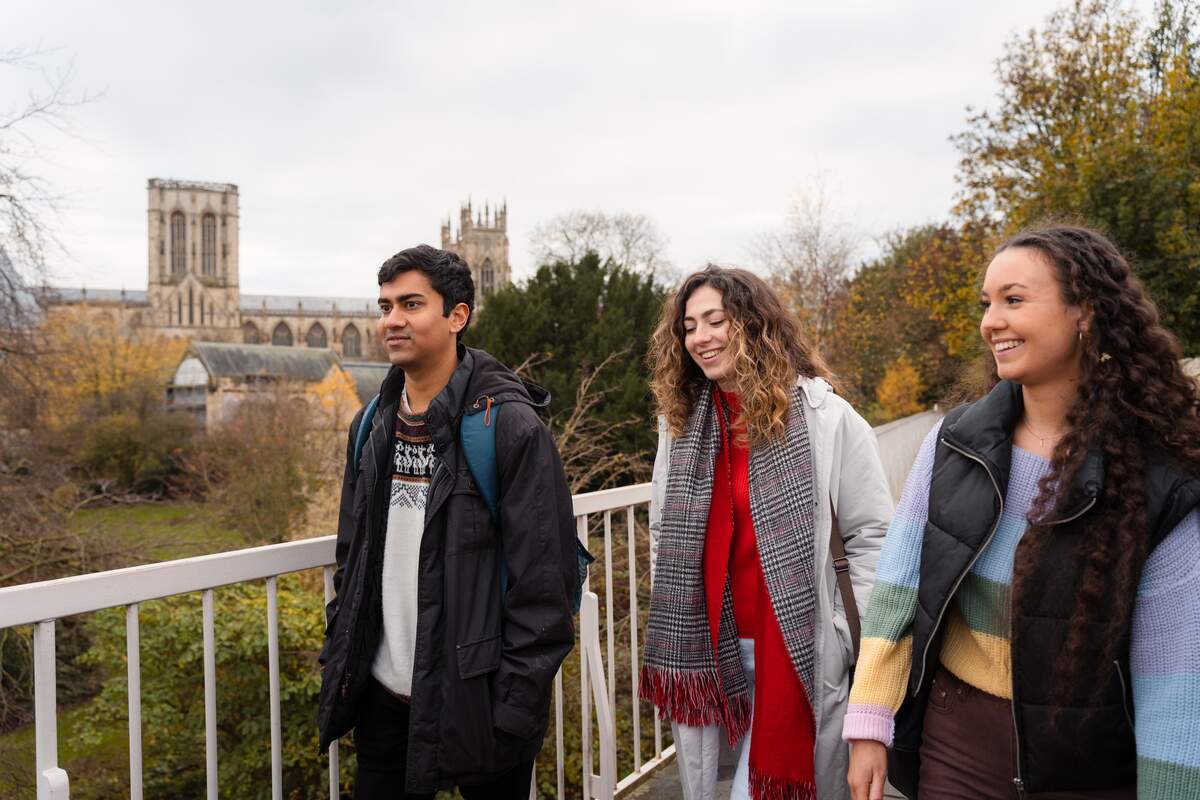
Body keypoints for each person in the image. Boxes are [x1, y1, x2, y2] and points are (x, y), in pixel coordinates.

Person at [844, 224, 1200, 800]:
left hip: (1088, 765)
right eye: (986, 304)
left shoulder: (1160, 480)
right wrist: (869, 721)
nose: (991, 321)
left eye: (1014, 300)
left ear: (1085, 312)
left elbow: (1176, 675)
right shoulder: (954, 444)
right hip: (957, 746)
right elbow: (897, 591)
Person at [316, 244, 578, 799]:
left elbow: (544, 585)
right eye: (385, 306)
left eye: (411, 304)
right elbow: (351, 555)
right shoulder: (371, 425)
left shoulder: (510, 427)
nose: (392, 320)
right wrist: (341, 652)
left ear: (457, 316)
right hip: (383, 696)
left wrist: (513, 708)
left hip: (480, 701)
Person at [640, 265, 893, 800]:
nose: (701, 338)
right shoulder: (680, 423)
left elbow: (872, 535)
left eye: (716, 320)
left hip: (800, 647)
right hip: (709, 648)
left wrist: (844, 633)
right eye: (689, 326)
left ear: (754, 324)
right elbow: (663, 525)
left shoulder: (826, 418)